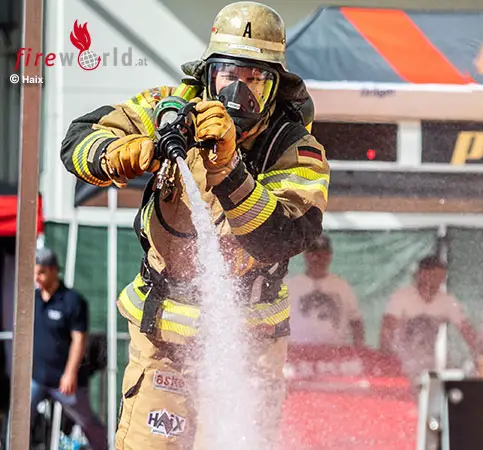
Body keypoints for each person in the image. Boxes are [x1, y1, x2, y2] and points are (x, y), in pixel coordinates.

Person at [59, 2, 329, 449]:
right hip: (162, 337)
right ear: (207, 75)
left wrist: (230, 171)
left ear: (275, 87)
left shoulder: (294, 149)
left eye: (255, 81)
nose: (238, 94)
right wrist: (114, 154)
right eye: (229, 76)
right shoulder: (169, 109)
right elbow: (78, 137)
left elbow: (283, 237)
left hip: (248, 345)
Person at [25, 248, 107, 449]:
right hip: (38, 378)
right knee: (19, 417)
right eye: (34, 272)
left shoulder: (73, 301)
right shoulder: (33, 299)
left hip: (65, 381)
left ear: (54, 270)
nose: (37, 278)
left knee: (88, 423)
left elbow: (79, 340)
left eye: (42, 272)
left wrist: (69, 373)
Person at [379, 256, 479, 378]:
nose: (437, 282)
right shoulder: (401, 297)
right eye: (434, 276)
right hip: (400, 363)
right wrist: (384, 360)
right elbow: (387, 329)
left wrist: (479, 354)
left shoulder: (447, 301)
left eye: (441, 278)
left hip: (428, 365)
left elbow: (467, 330)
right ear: (421, 275)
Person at [286, 235, 365, 347]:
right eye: (313, 254)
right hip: (298, 352)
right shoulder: (291, 286)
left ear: (329, 256)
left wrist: (359, 349)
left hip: (335, 352)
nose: (317, 259)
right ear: (305, 255)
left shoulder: (342, 286)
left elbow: (356, 321)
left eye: (322, 254)